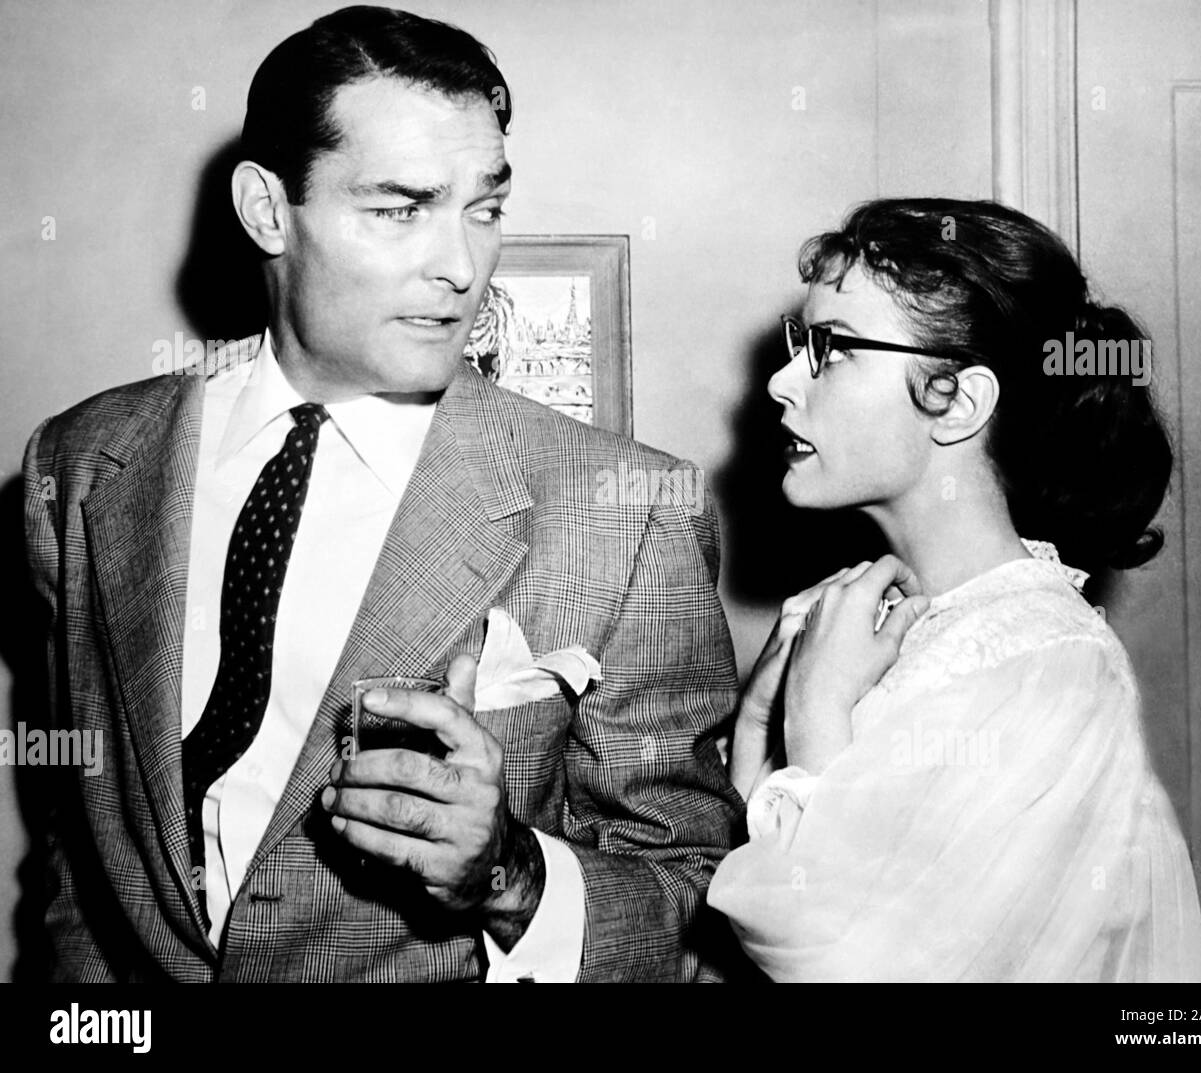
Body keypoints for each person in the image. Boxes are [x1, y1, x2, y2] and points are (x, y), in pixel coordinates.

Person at [24, 6, 742, 983]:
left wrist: (509, 868)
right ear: (268, 210)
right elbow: (83, 837)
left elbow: (697, 905)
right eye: (401, 207)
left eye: (482, 208)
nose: (460, 267)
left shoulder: (627, 510)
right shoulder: (84, 461)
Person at [707, 197, 1201, 982]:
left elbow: (856, 966)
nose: (780, 382)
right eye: (797, 344)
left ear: (960, 401)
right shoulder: (867, 619)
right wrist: (753, 726)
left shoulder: (1052, 667)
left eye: (832, 348)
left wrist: (813, 720)